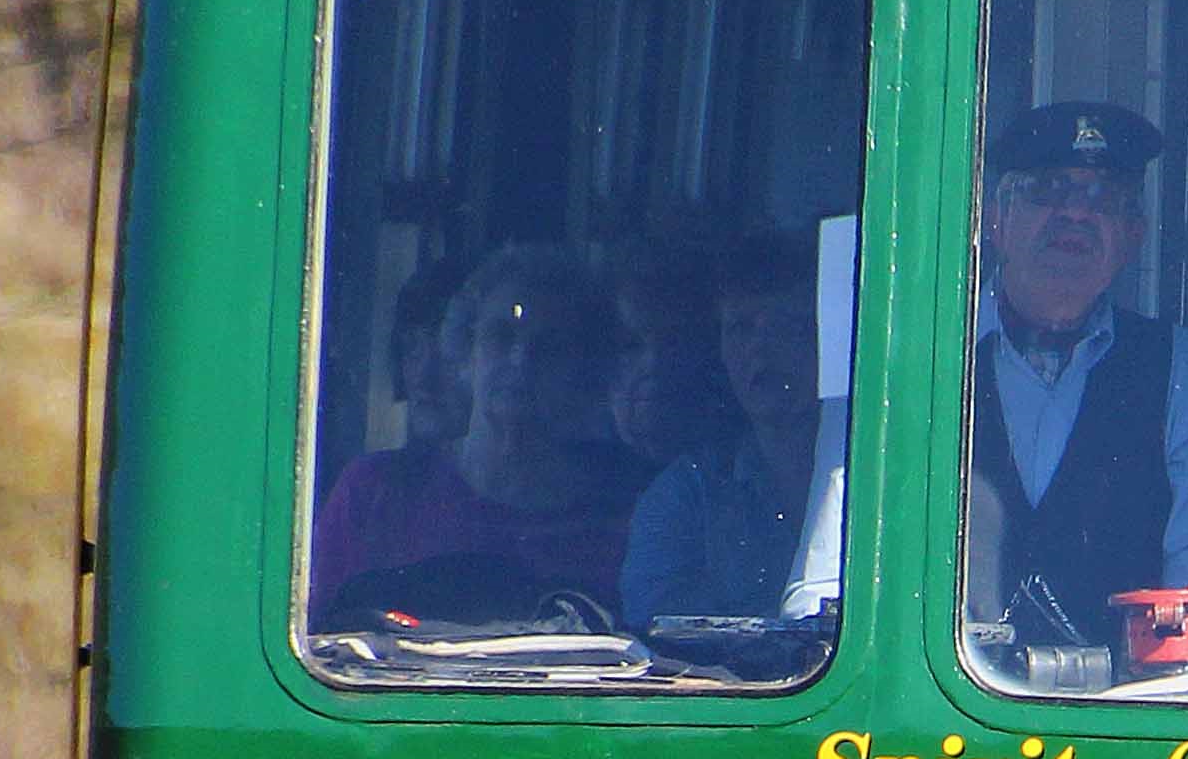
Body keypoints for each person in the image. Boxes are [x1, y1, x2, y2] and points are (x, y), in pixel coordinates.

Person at [968, 101, 1188, 637]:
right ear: (995, 219)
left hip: (1116, 710)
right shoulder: (926, 359)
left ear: (1132, 235)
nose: (1074, 215)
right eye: (1045, 190)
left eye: (1102, 198)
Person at [309, 242, 650, 624]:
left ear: (587, 370)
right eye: (502, 337)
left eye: (549, 347)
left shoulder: (629, 517)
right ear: (464, 353)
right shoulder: (374, 493)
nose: (520, 360)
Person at [619, 234, 841, 625]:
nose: (760, 348)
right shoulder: (686, 496)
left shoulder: (879, 485)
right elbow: (654, 625)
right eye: (740, 329)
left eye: (786, 327)